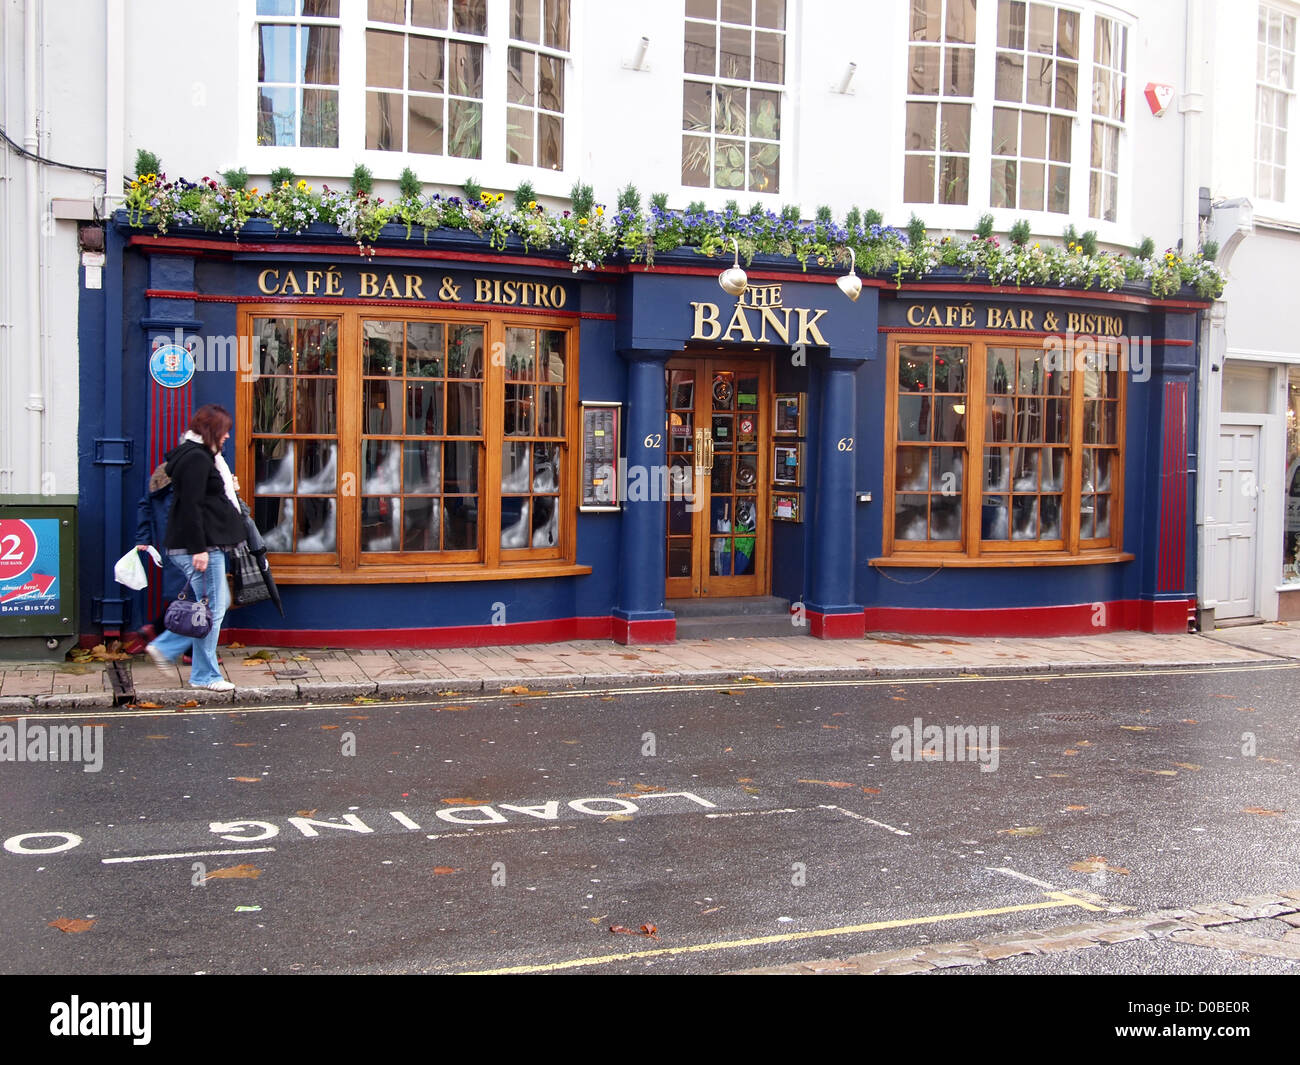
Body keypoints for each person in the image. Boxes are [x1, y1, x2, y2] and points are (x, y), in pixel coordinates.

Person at [145, 405, 246, 691]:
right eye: (224, 429)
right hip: (201, 545)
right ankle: (199, 671)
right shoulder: (197, 459)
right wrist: (199, 548)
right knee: (213, 608)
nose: (227, 435)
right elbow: (191, 506)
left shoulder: (194, 455)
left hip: (198, 543)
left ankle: (175, 652)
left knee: (212, 606)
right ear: (211, 430)